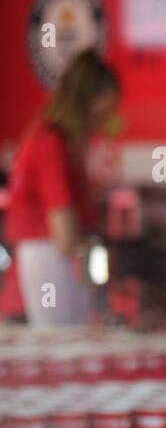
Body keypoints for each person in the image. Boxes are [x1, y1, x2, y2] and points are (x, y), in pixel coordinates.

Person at [6, 50, 119, 327]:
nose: (105, 122)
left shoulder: (58, 143)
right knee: (62, 350)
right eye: (103, 112)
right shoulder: (50, 145)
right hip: (50, 263)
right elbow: (65, 235)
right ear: (86, 103)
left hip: (53, 261)